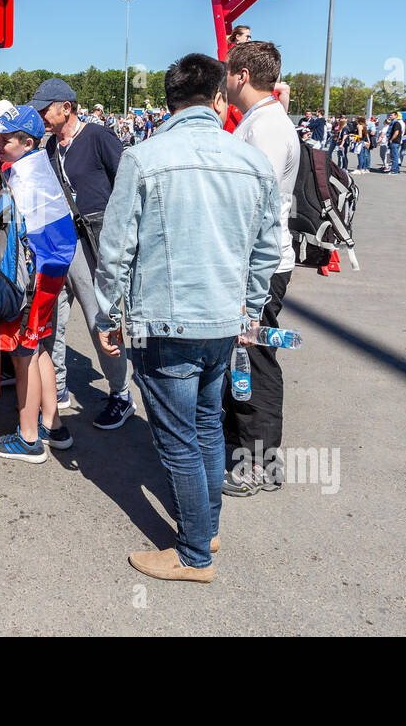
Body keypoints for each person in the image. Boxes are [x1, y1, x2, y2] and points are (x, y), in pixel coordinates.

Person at [95, 53, 281, 583]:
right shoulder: (250, 161)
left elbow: (116, 250)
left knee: (178, 436)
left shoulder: (144, 157)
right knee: (204, 424)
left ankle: (194, 552)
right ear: (218, 99)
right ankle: (207, 526)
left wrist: (109, 314)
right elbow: (268, 248)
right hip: (223, 319)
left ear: (169, 103)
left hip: (167, 321)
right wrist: (248, 304)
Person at [33, 79, 136, 428]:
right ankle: (57, 387)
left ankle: (121, 393)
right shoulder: (50, 146)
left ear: (67, 107)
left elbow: (127, 184)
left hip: (93, 243)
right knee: (53, 319)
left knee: (100, 320)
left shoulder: (97, 137)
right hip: (58, 244)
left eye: (46, 108)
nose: (41, 115)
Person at [221, 40, 300, 495]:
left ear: (242, 76)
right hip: (255, 262)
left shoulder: (267, 125)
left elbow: (257, 201)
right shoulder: (260, 120)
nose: (225, 81)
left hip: (259, 265)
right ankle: (249, 453)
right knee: (246, 358)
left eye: (228, 73)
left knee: (253, 359)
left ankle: (259, 462)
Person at [0, 105, 77, 464]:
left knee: (24, 354)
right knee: (40, 348)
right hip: (51, 270)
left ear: (28, 141)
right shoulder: (34, 164)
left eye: (6, 139)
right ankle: (53, 424)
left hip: (34, 276)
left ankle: (29, 437)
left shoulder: (23, 177)